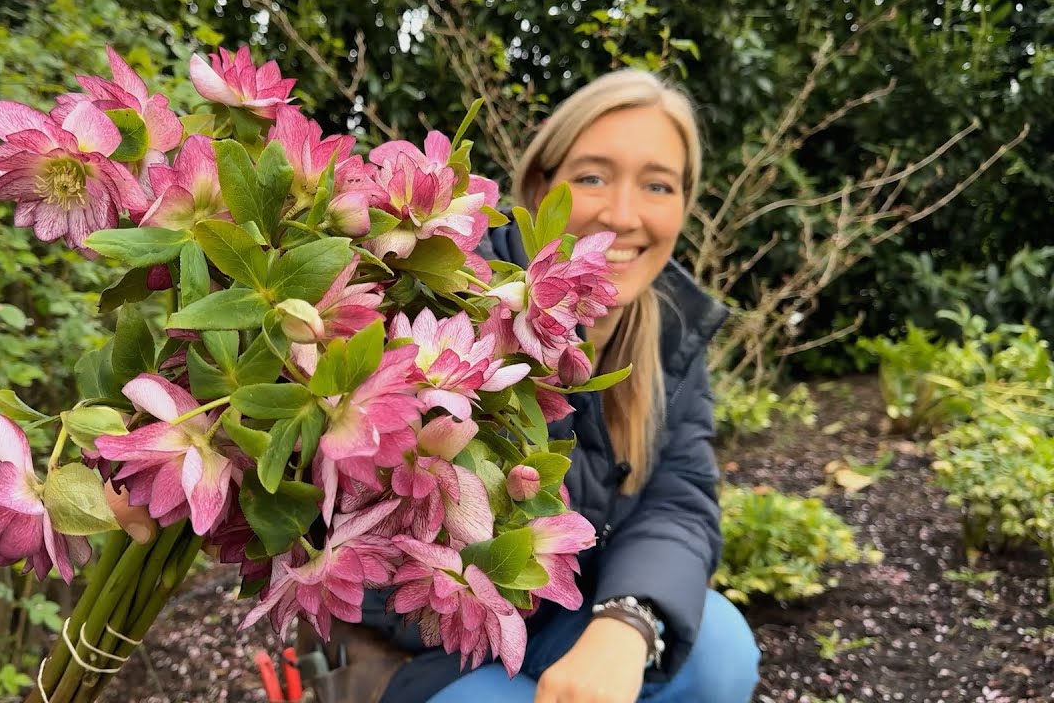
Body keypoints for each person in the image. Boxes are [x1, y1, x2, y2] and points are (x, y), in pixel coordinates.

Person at [304, 68, 761, 703]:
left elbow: (680, 498)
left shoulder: (672, 331)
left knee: (721, 653)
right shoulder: (443, 290)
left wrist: (628, 618)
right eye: (593, 177)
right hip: (427, 643)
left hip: (569, 613)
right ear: (542, 187)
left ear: (684, 203)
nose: (622, 215)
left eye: (658, 184)